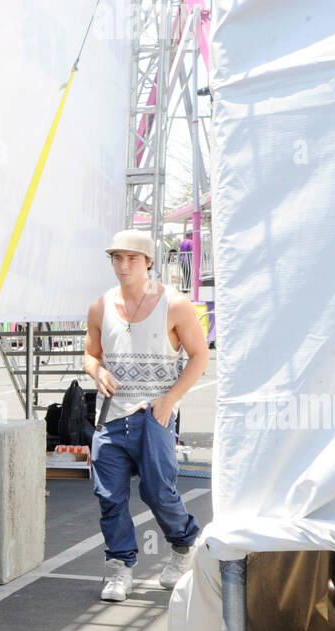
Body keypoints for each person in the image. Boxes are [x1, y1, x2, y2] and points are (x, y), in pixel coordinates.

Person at [82, 229, 208, 603]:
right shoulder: (100, 306)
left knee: (159, 492)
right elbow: (91, 354)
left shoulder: (176, 304)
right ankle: (119, 566)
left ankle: (184, 544)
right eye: (117, 258)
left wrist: (169, 400)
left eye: (132, 258)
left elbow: (199, 355)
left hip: (154, 415)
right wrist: (97, 371)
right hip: (112, 417)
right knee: (109, 497)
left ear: (149, 262)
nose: (123, 265)